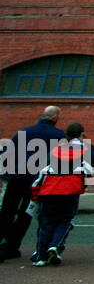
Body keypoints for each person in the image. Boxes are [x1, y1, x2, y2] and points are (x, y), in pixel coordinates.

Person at [0, 105, 64, 262]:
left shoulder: (24, 132)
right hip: (37, 179)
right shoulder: (59, 135)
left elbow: (7, 154)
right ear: (55, 117)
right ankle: (12, 245)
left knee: (7, 210)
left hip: (17, 175)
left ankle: (3, 240)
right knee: (27, 212)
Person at [29, 123, 94, 266]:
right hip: (71, 191)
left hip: (48, 192)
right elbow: (91, 172)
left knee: (46, 224)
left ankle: (40, 256)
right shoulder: (83, 155)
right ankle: (55, 245)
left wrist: (35, 197)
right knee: (64, 221)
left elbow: (38, 178)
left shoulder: (53, 155)